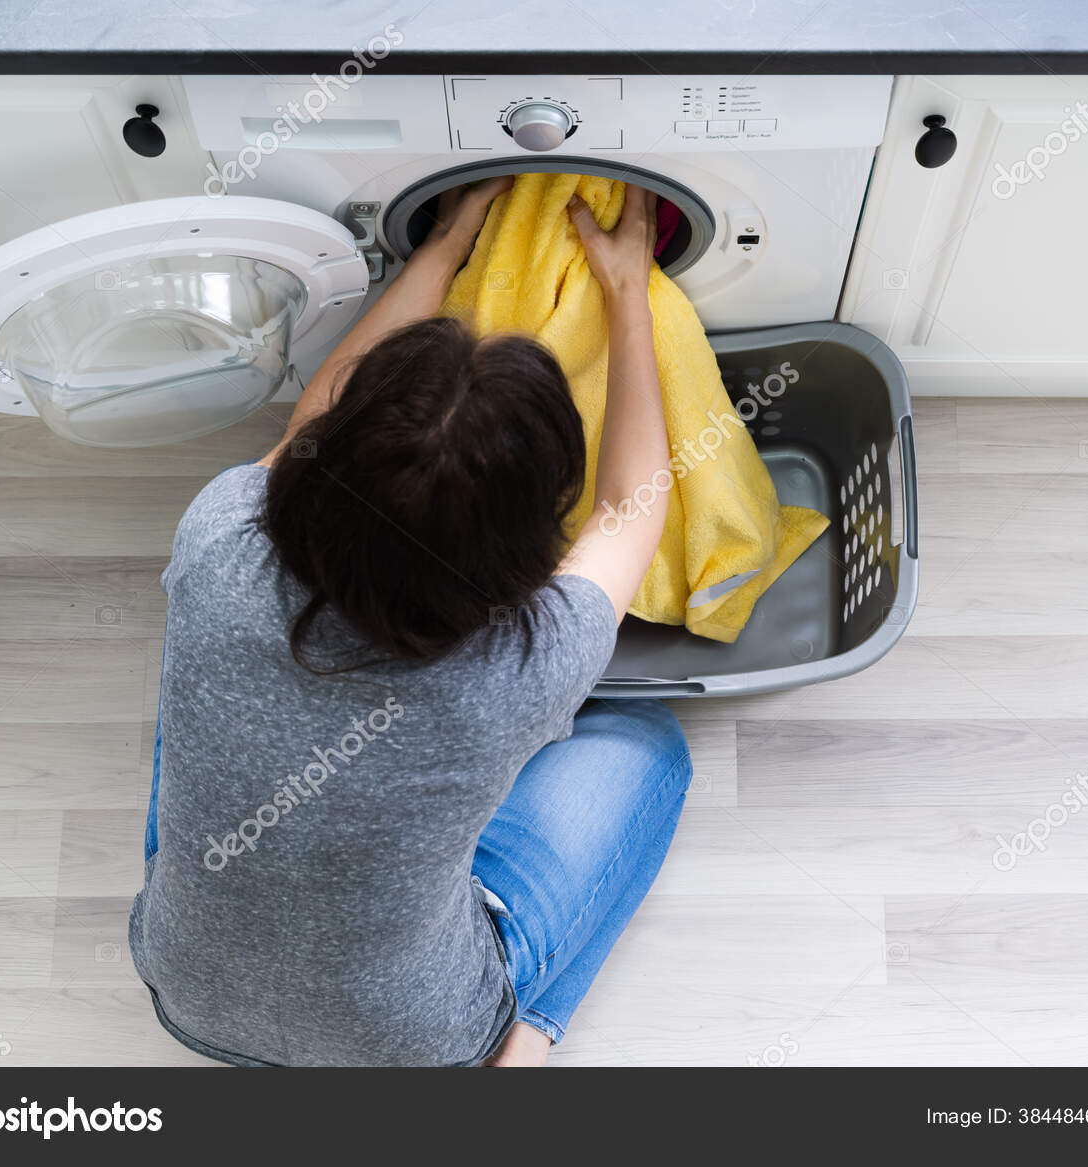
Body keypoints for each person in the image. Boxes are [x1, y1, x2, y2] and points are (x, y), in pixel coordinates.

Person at [128, 176, 691, 1067]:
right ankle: (524, 1038)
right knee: (651, 749)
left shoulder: (219, 533)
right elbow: (629, 508)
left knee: (207, 709)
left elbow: (310, 424)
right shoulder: (532, 660)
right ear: (530, 538)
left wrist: (438, 248)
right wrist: (627, 289)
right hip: (414, 1044)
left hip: (186, 988)